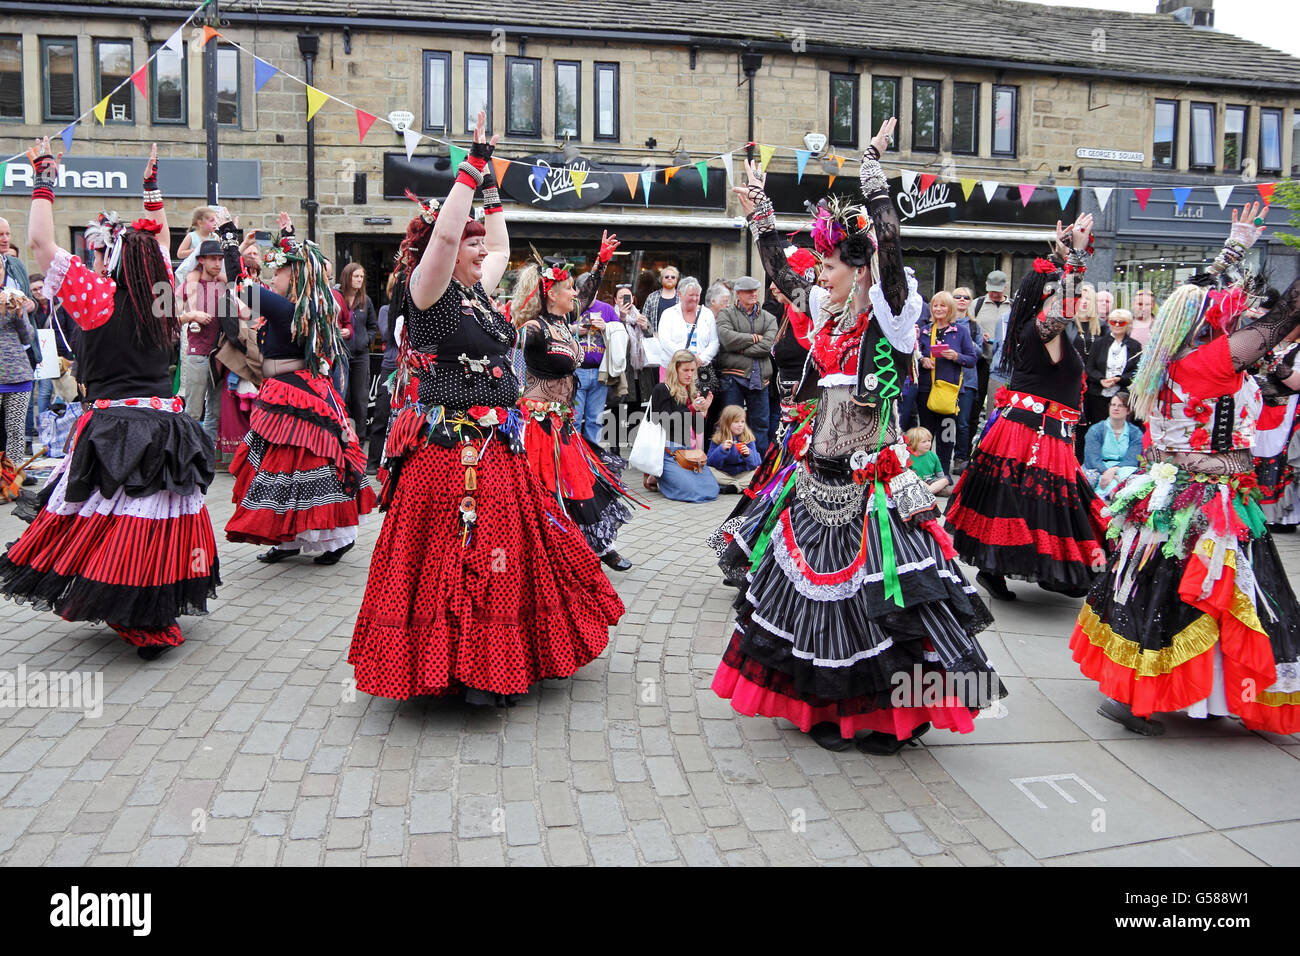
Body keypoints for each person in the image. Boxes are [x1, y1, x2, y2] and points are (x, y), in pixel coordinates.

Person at [713, 120, 1001, 755]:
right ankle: (832, 710)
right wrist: (760, 212)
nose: (818, 276)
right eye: (819, 265)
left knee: (880, 604)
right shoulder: (826, 314)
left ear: (858, 266)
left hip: (875, 484)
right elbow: (783, 279)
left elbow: (890, 251)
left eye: (829, 265)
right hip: (818, 479)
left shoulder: (894, 318)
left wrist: (873, 171)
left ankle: (892, 717)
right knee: (824, 603)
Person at [348, 113, 623, 705]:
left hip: (498, 444)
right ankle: (459, 672)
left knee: (505, 554)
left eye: (478, 245)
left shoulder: (477, 292)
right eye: (468, 244)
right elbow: (447, 239)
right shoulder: (430, 294)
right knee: (460, 554)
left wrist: (492, 179)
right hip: (448, 452)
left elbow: (497, 240)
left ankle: (497, 663)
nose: (480, 251)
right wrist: (470, 164)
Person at [1072, 202, 1300, 737]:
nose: (1236, 312)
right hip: (1201, 503)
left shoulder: (1175, 357)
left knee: (1175, 592)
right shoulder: (1208, 364)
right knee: (1185, 595)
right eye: (1227, 310)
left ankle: (1193, 697)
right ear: (1207, 324)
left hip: (1203, 496)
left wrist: (1235, 244)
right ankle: (1144, 698)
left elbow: (1196, 294)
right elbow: (1284, 318)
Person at [0, 139, 220, 659]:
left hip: (113, 427)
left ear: (115, 257)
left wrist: (44, 178)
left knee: (109, 522)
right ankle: (150, 604)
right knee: (155, 523)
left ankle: (130, 605)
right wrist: (151, 191)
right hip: (162, 426)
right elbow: (161, 237)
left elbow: (38, 244)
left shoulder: (98, 296)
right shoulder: (163, 294)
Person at [945, 214, 1109, 602]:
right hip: (1035, 431)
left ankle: (1008, 569)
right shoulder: (1041, 328)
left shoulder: (1041, 329)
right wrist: (1078, 259)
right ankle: (1028, 570)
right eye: (1053, 292)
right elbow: (1064, 309)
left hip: (1035, 429)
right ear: (1043, 298)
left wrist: (1063, 253)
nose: (1061, 298)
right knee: (1034, 500)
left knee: (1025, 499)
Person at [510, 237, 640, 572]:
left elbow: (586, 294)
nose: (574, 294)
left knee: (581, 483)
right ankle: (545, 554)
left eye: (573, 290)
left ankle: (599, 547)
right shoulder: (536, 329)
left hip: (562, 424)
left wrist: (600, 263)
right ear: (552, 294)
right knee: (544, 491)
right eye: (567, 288)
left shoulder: (564, 325)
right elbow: (510, 349)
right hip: (538, 427)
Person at [916, 290, 976, 479]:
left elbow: (973, 359)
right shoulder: (925, 331)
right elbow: (913, 356)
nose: (938, 309)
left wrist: (957, 356)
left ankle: (943, 476)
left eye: (942, 305)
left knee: (946, 436)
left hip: (949, 393)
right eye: (935, 305)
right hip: (926, 390)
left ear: (950, 309)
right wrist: (923, 360)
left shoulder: (961, 332)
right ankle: (924, 475)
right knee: (926, 435)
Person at [714, 275, 776, 454]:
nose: (753, 294)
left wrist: (739, 349)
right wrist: (753, 338)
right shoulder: (725, 314)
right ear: (738, 294)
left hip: (760, 378)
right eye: (749, 291)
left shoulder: (768, 318)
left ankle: (758, 466)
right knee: (730, 422)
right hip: (733, 377)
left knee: (760, 424)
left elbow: (766, 346)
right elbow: (726, 339)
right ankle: (730, 461)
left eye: (755, 290)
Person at [648, 349, 718, 502]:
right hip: (666, 451)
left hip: (687, 451)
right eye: (685, 370)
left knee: (712, 489)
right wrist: (693, 408)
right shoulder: (662, 389)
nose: (689, 374)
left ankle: (658, 477)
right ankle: (657, 475)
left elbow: (695, 427)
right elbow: (664, 422)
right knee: (693, 492)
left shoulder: (691, 391)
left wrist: (703, 412)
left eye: (693, 370)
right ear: (675, 370)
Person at [177, 239, 227, 444]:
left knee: (214, 412)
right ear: (202, 260)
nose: (217, 263)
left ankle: (205, 457)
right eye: (213, 259)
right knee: (193, 412)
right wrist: (192, 316)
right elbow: (168, 318)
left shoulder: (224, 285)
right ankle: (187, 457)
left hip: (221, 356)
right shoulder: (190, 286)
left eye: (220, 259)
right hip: (197, 354)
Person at [1252, 328, 1300, 533]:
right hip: (1261, 410)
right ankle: (1258, 513)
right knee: (1258, 457)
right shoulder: (1269, 344)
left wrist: (1274, 363)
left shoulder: (1296, 350)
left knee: (1281, 459)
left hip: (1288, 409)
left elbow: (1297, 382)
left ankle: (1283, 518)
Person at [571, 268, 621, 445]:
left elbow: (621, 335)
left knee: (595, 420)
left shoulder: (606, 309)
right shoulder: (570, 307)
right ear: (576, 290)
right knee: (574, 420)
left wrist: (606, 327)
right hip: (577, 371)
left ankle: (594, 459)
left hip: (600, 371)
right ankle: (576, 457)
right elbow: (555, 329)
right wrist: (573, 329)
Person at [1084, 307, 1142, 437]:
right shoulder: (1099, 343)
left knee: (1121, 431)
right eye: (1113, 322)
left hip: (1123, 396)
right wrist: (1101, 380)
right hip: (1098, 396)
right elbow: (1090, 367)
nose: (1116, 325)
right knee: (1098, 430)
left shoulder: (1135, 346)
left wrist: (1119, 379)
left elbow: (1136, 372)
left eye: (1121, 322)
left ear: (1128, 325)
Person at [338, 262, 378, 442]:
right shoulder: (337, 297)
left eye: (362, 277)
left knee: (360, 398)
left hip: (360, 355)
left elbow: (372, 327)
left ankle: (360, 440)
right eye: (356, 276)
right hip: (341, 353)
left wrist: (365, 341)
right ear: (348, 277)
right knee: (343, 396)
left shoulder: (365, 301)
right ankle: (343, 437)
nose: (359, 280)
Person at [1082, 392, 1142, 499]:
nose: (1116, 408)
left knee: (1128, 474)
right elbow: (1092, 458)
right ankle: (1108, 495)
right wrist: (1106, 471)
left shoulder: (1135, 432)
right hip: (1100, 467)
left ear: (1128, 410)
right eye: (1113, 405)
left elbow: (1133, 459)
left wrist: (1113, 470)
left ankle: (1115, 495)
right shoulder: (1096, 430)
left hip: (1123, 468)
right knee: (1096, 478)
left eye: (1120, 406)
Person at [1066, 282, 1102, 458]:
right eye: (1082, 298)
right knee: (1073, 426)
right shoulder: (1068, 324)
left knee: (1092, 426)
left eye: (1089, 298)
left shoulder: (1103, 327)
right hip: (1072, 384)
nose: (1085, 302)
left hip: (1095, 385)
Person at [950, 286, 983, 472]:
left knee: (963, 422)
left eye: (966, 297)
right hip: (946, 379)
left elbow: (979, 353)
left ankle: (960, 458)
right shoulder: (945, 323)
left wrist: (965, 340)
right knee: (946, 420)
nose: (962, 300)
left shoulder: (974, 326)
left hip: (968, 380)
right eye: (957, 297)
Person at [369, 272, 399, 474]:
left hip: (410, 367)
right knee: (382, 413)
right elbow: (389, 334)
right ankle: (372, 461)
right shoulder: (386, 310)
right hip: (390, 366)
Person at [972, 270, 1012, 421]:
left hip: (1002, 363)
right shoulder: (977, 304)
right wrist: (978, 335)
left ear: (1005, 287)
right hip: (981, 360)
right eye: (991, 290)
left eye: (998, 291)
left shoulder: (1012, 306)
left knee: (998, 405)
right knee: (975, 404)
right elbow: (968, 326)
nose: (994, 294)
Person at [707, 404, 761, 493]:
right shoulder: (718, 439)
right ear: (727, 423)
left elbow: (756, 463)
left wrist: (748, 454)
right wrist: (721, 450)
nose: (740, 425)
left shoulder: (748, 438)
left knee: (760, 470)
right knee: (707, 470)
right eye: (736, 422)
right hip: (724, 474)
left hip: (744, 474)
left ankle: (733, 487)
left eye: (742, 422)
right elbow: (711, 463)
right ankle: (740, 485)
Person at [174, 205, 218, 284]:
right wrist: (195, 250)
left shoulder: (215, 237)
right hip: (195, 269)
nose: (215, 223)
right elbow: (179, 254)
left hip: (210, 270)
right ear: (200, 223)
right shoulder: (191, 236)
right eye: (212, 220)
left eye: (216, 220)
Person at [906, 425, 948, 496]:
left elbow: (939, 473)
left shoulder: (932, 455)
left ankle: (928, 491)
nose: (928, 444)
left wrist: (941, 481)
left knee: (946, 480)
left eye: (929, 441)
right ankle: (933, 491)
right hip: (918, 480)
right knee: (913, 483)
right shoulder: (908, 457)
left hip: (932, 480)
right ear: (913, 443)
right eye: (924, 442)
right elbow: (908, 476)